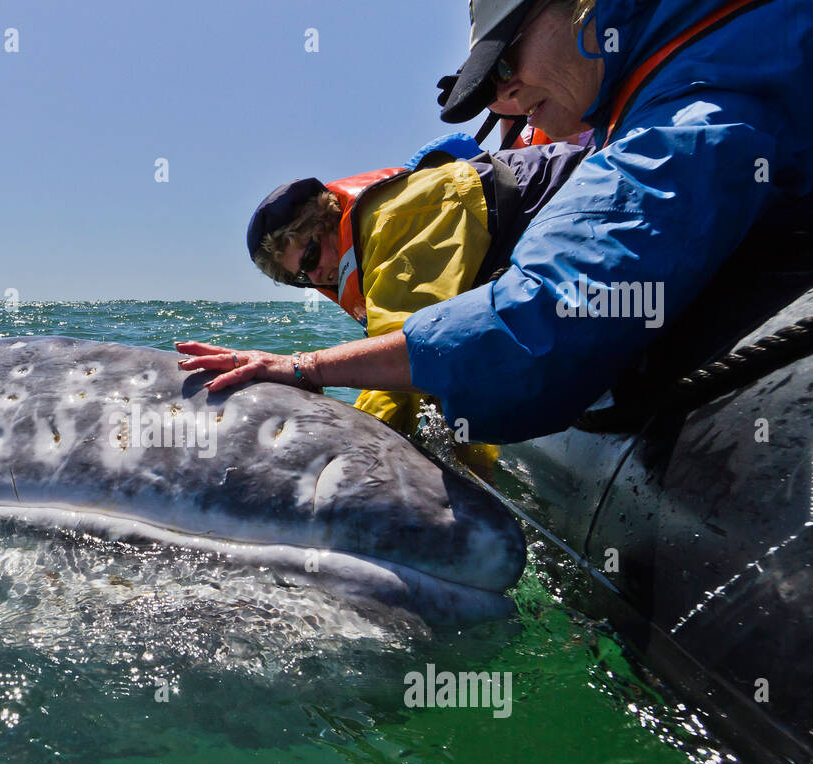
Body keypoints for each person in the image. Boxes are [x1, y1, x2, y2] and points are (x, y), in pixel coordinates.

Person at [180, 0, 813, 445]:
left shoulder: (699, 111)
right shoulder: (680, 60)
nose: (501, 100)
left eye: (504, 67)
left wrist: (306, 370)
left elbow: (545, 321)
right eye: (300, 279)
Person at [242, 134, 590, 474]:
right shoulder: (364, 250)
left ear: (327, 220)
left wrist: (338, 466)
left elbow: (412, 353)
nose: (316, 277)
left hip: (585, 215)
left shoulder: (391, 222)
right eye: (301, 277)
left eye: (311, 257)